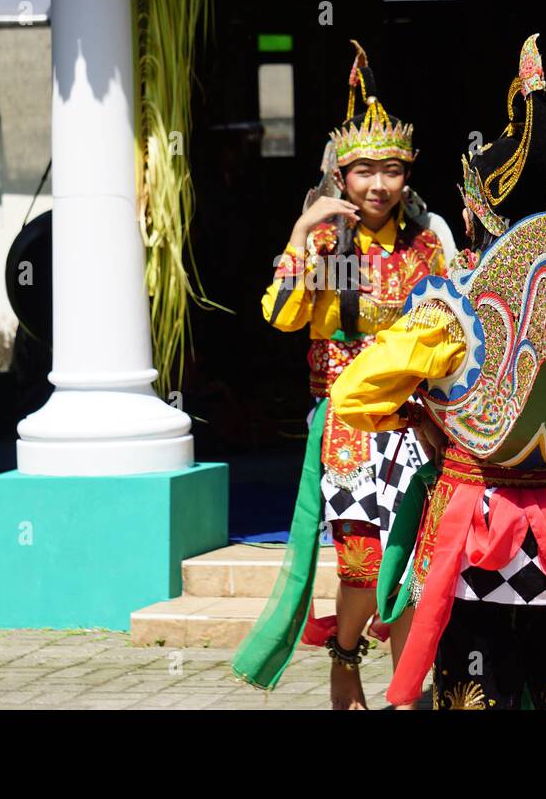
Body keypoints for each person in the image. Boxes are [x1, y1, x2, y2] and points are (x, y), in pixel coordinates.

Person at [331, 34, 546, 709]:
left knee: (476, 691)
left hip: (472, 529)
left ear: (474, 209)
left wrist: (418, 414)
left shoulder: (452, 307)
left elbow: (353, 393)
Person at [231, 42, 446, 709]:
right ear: (341, 177)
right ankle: (347, 652)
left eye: (391, 171)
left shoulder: (427, 246)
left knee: (411, 561)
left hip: (413, 426)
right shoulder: (325, 245)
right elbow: (283, 315)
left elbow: (450, 334)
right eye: (362, 173)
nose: (378, 185)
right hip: (349, 428)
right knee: (360, 564)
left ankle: (408, 689)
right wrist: (302, 231)